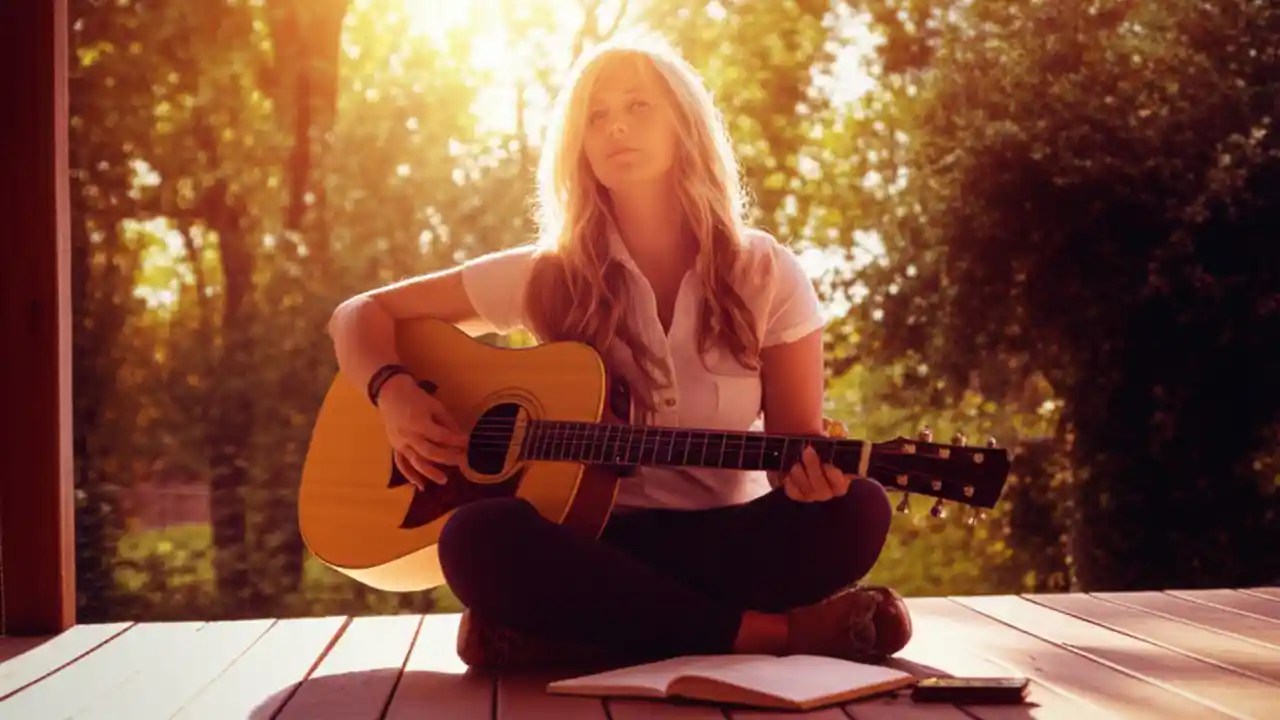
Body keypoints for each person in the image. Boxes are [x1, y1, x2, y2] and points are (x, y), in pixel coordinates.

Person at [327, 35, 912, 670]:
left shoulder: (767, 273)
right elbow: (359, 314)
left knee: (856, 510)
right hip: (585, 544)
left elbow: (790, 454)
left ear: (685, 126)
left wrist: (811, 479)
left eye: (637, 106)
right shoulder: (548, 273)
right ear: (578, 144)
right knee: (475, 540)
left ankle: (565, 633)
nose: (615, 127)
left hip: (721, 543)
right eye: (596, 116)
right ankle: (776, 636)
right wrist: (394, 391)